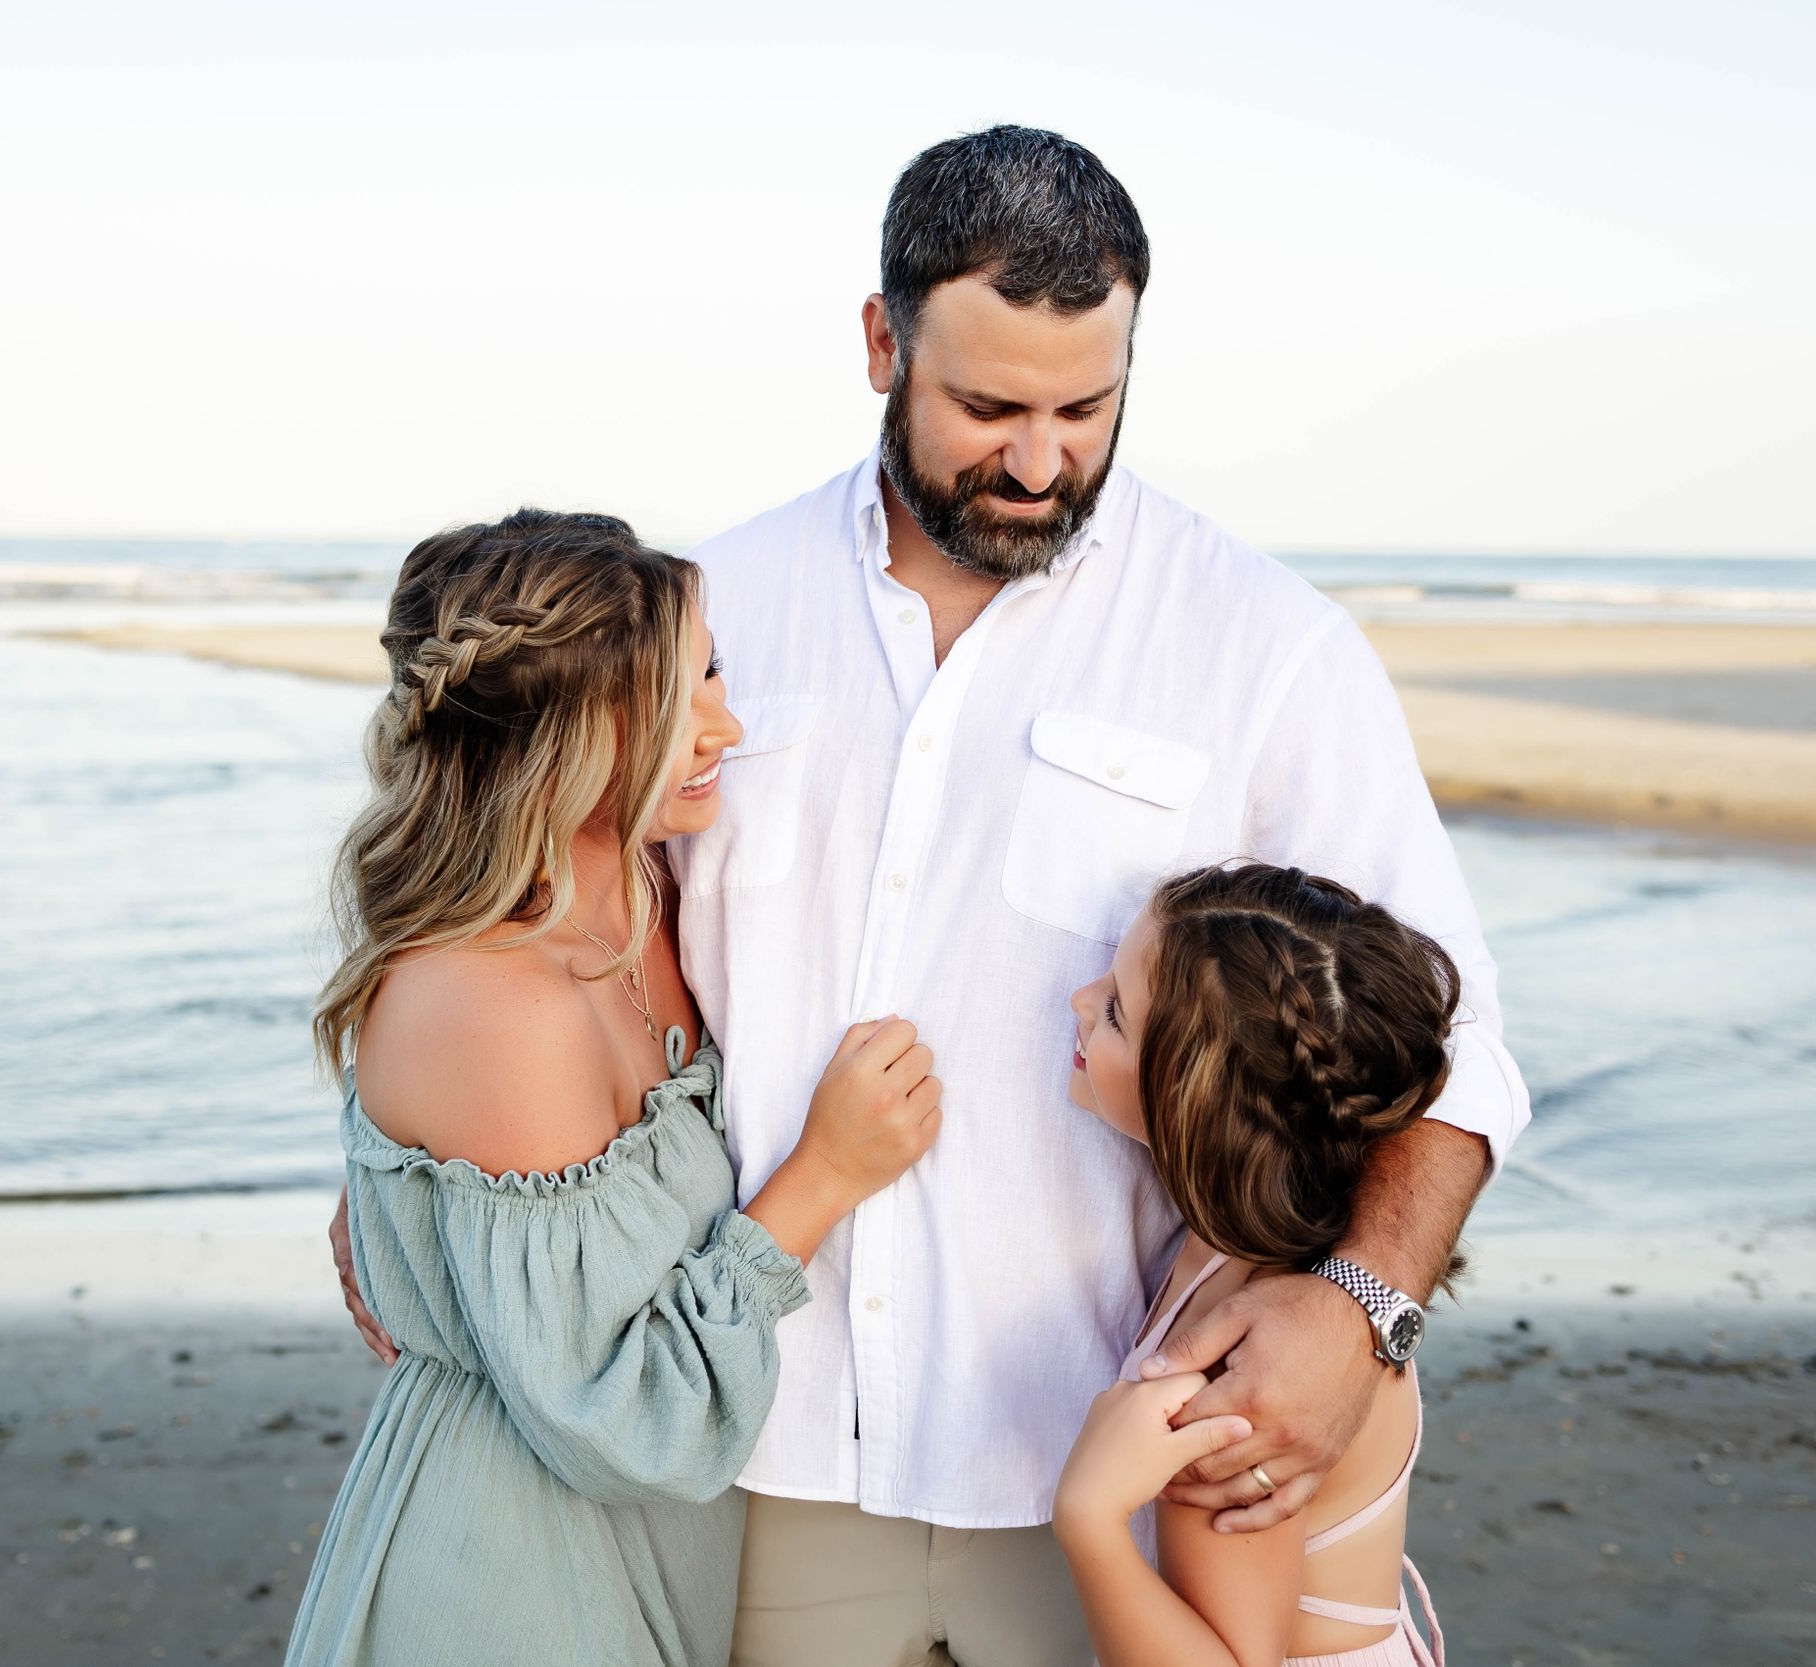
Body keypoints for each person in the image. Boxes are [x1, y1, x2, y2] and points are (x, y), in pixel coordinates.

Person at [337, 126, 1530, 1663]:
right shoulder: (718, 614)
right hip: (759, 1470)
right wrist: (410, 1169)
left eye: (1085, 408)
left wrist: (1362, 1301)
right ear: (881, 343)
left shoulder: (1266, 645)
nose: (1040, 459)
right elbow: (526, 897)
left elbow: (1459, 1041)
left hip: (1088, 1463)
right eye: (987, 406)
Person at [284, 510, 980, 1667]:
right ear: (549, 736)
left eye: (709, 671)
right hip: (505, 1580)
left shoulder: (649, 887)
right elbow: (628, 1422)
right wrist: (823, 1176)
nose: (724, 723)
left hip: (642, 1557)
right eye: (668, 698)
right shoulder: (499, 996)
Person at [1054, 864, 1460, 1667]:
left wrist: (1090, 1519)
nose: (1078, 1000)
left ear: (1192, 1094)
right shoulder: (1287, 1262)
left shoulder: (1238, 1370)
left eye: (1116, 1013)